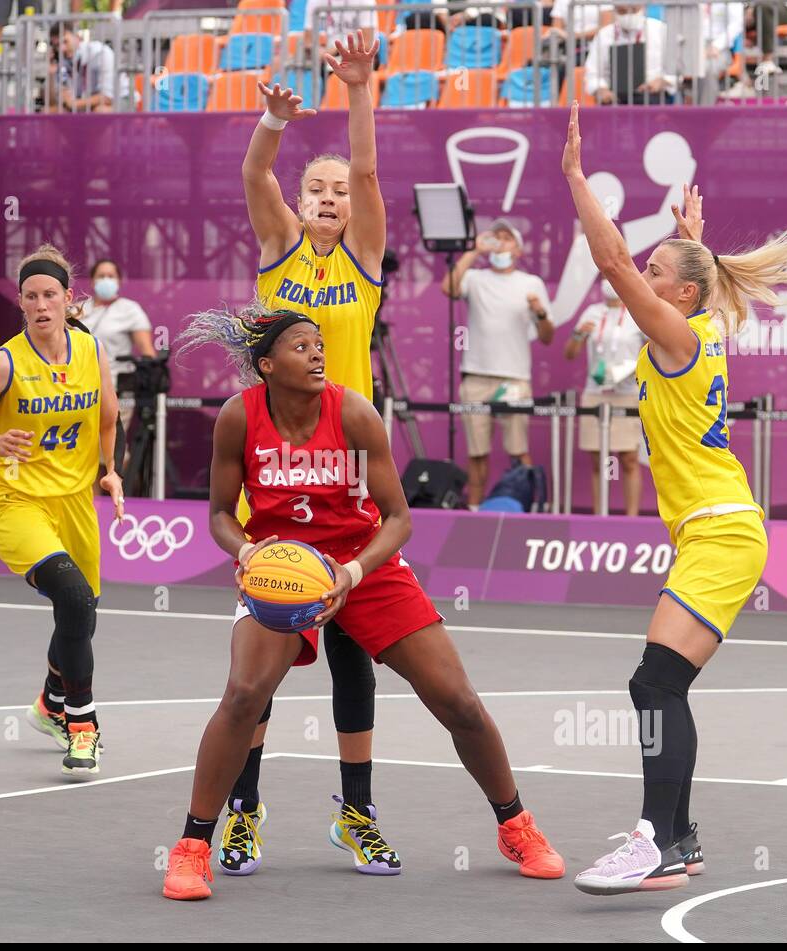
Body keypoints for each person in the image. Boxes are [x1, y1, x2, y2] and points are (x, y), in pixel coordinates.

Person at [161, 304, 564, 900]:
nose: (317, 353)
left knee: (458, 700)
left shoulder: (353, 412)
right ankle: (192, 847)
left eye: (319, 344)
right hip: (281, 568)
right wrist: (244, 553)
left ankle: (516, 826)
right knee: (244, 693)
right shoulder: (238, 418)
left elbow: (399, 519)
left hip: (361, 564)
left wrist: (351, 571)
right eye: (301, 347)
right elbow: (220, 513)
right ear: (266, 365)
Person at [562, 103, 787, 893]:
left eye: (658, 270)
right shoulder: (696, 328)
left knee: (653, 684)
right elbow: (669, 272)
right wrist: (693, 235)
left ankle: (653, 840)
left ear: (683, 291)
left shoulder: (678, 333)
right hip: (715, 530)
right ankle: (679, 839)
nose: (645, 272)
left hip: (722, 531)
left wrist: (575, 179)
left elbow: (611, 265)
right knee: (660, 684)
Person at [225, 28, 394, 877]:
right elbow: (256, 175)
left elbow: (367, 175)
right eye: (316, 189)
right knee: (261, 660)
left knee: (351, 654)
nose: (330, 197)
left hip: (348, 473)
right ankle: (244, 812)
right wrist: (272, 122)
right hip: (276, 471)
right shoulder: (276, 248)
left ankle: (355, 812)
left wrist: (358, 90)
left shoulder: (364, 261)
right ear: (301, 199)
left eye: (338, 191)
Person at [0, 245, 124, 777]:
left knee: (81, 614)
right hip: (18, 503)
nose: (41, 304)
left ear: (69, 300)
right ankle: (82, 723)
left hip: (75, 503)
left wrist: (109, 470)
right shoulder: (4, 362)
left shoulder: (90, 351)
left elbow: (109, 417)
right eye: (31, 296)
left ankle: (49, 701)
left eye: (50, 295)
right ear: (21, 304)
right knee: (71, 596)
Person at [441, 219, 554, 508]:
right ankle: (474, 510)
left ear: (518, 249)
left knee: (519, 450)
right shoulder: (476, 278)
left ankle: (528, 510)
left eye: (507, 238)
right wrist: (473, 252)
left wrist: (540, 313)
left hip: (514, 378)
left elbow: (547, 337)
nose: (500, 242)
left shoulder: (531, 283)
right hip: (476, 375)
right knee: (477, 452)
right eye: (496, 237)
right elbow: (448, 288)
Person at [566, 276, 646, 515]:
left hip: (627, 392)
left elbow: (654, 351)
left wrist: (631, 368)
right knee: (597, 460)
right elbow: (570, 353)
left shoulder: (637, 312)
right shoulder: (592, 311)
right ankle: (599, 515)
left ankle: (631, 518)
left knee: (629, 458)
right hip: (596, 392)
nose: (611, 283)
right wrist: (579, 335)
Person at [75, 258, 153, 432]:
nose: (106, 280)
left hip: (117, 389)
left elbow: (147, 351)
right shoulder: (78, 310)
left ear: (118, 281)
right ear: (93, 280)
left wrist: (152, 380)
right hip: (79, 390)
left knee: (110, 448)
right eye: (101, 276)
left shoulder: (130, 310)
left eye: (111, 276)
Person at [583, 4, 676, 105]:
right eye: (623, 11)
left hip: (653, 97)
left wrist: (662, 81)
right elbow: (592, 73)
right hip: (614, 97)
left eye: (633, 10)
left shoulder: (661, 29)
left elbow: (677, 70)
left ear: (643, 7)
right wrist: (601, 89)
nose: (628, 15)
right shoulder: (604, 35)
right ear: (615, 10)